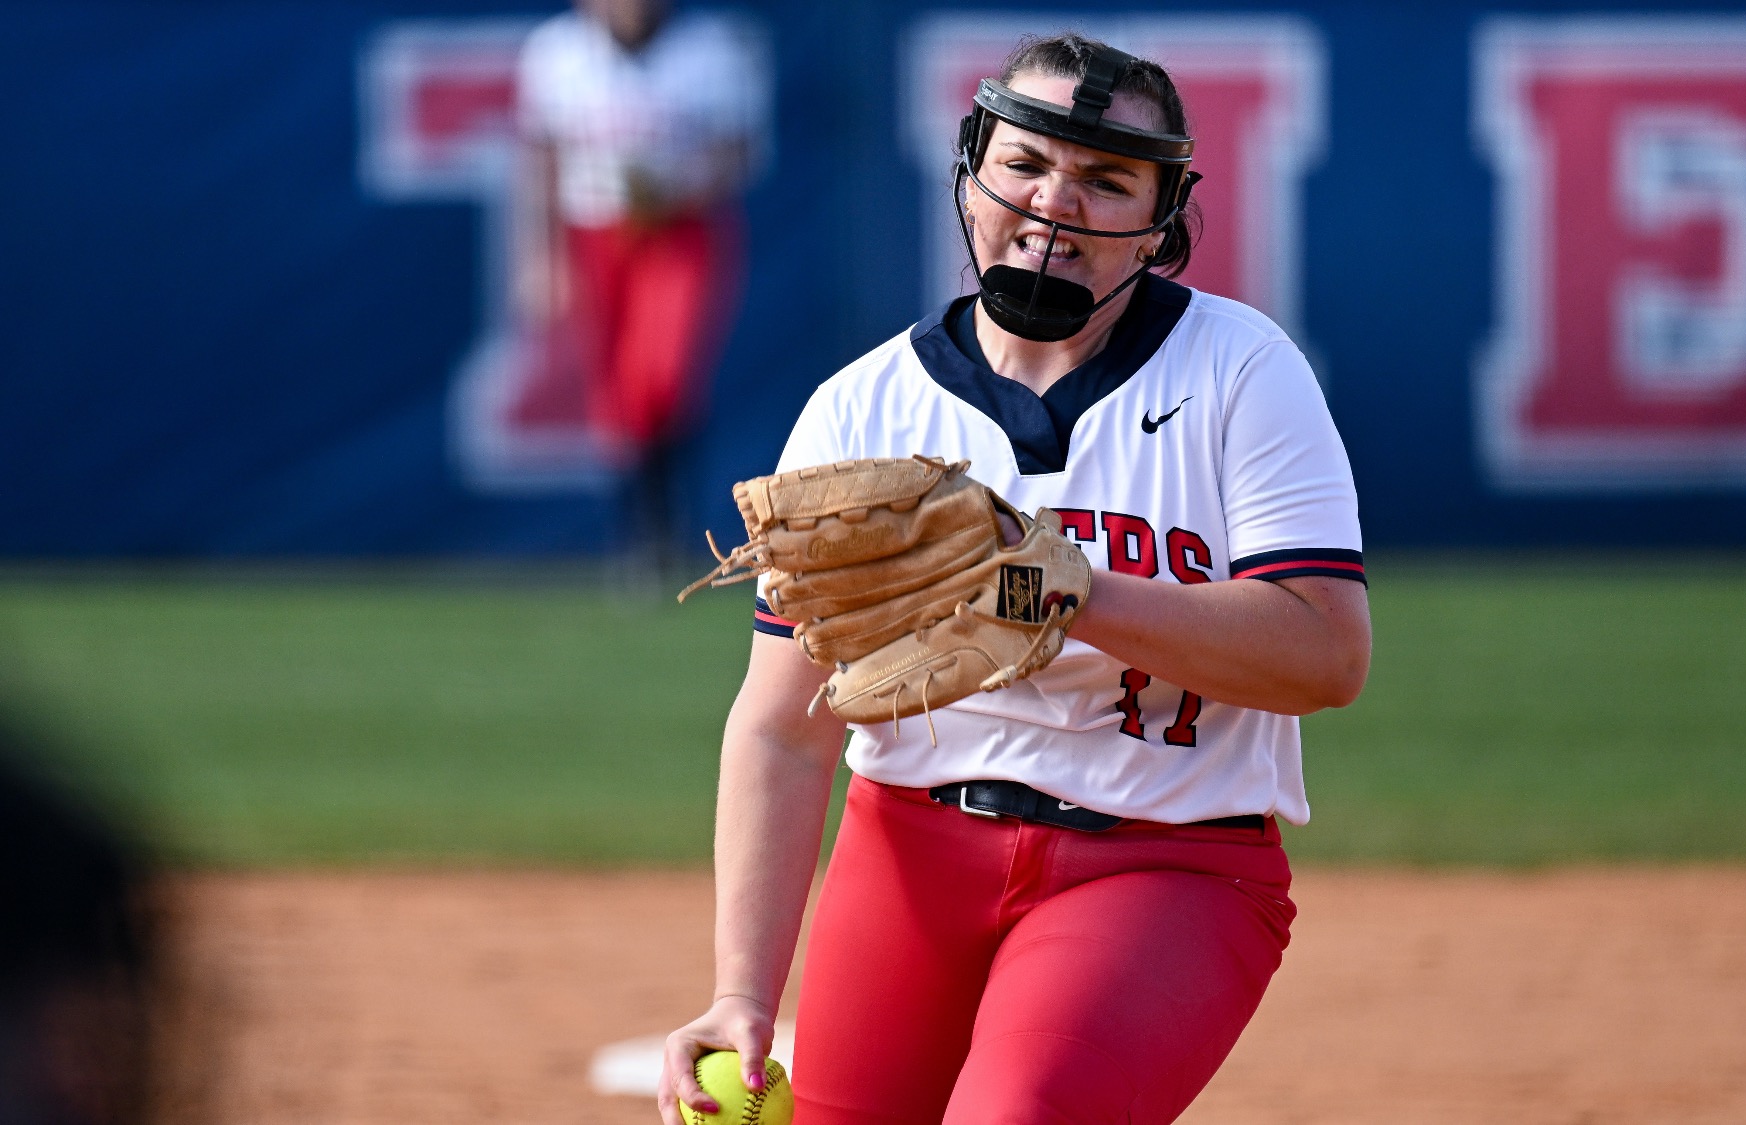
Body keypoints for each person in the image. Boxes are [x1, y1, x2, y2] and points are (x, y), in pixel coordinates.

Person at [662, 34, 1372, 1125]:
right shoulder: (861, 410)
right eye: (1027, 163)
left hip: (1163, 864)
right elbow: (780, 728)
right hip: (905, 852)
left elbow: (1325, 657)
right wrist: (740, 997)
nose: (1056, 203)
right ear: (970, 170)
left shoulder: (1240, 373)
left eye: (1105, 179)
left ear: (1163, 215)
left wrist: (1076, 591)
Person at [514, 0, 765, 573]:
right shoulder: (556, 53)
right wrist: (539, 254)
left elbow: (738, 152)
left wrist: (679, 186)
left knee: (664, 376)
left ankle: (672, 526)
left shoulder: (711, 50)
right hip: (592, 232)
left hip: (678, 231)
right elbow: (540, 160)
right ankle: (640, 536)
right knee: (616, 393)